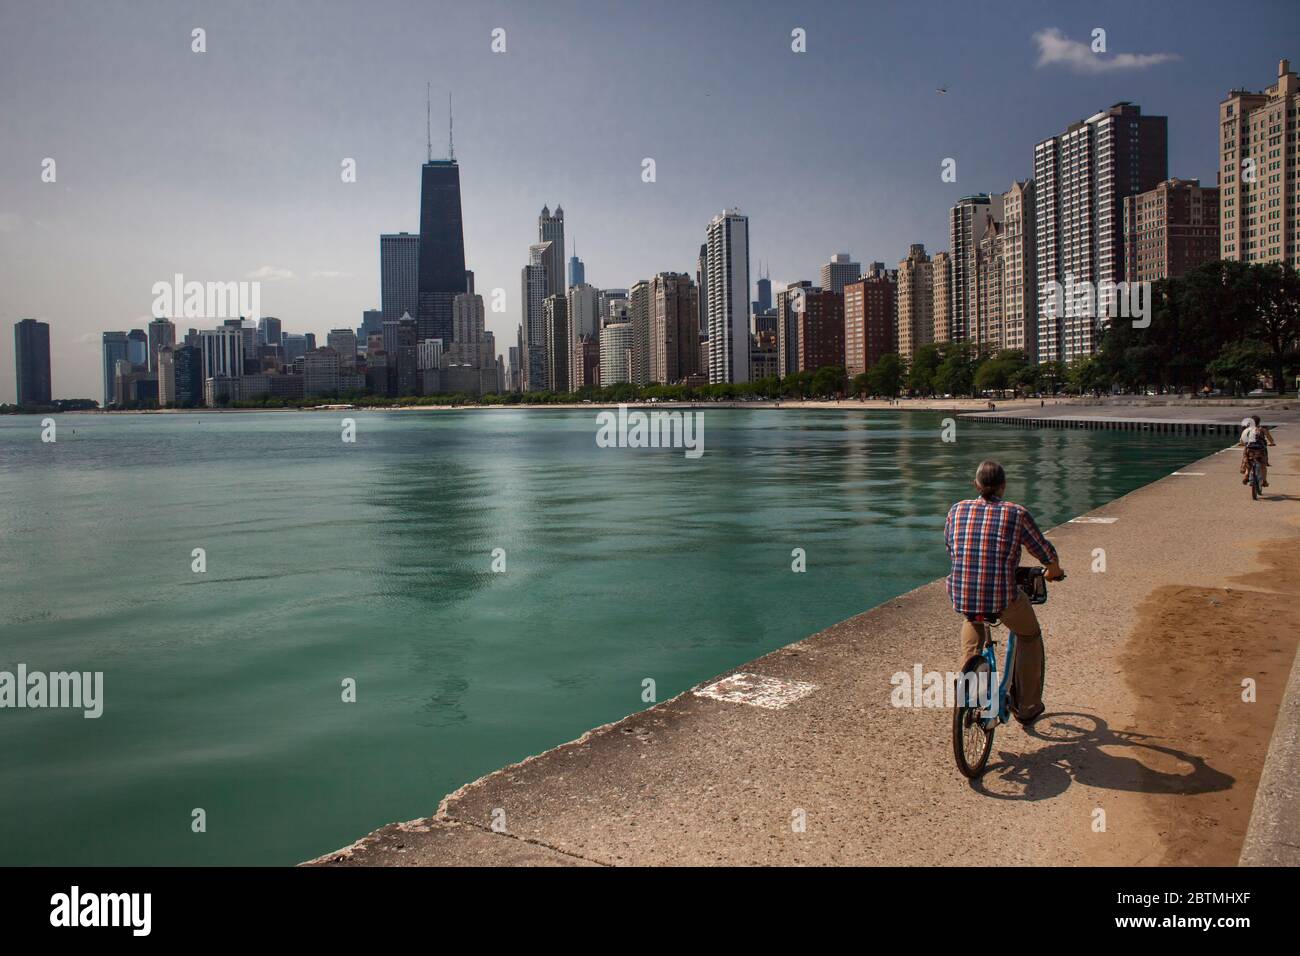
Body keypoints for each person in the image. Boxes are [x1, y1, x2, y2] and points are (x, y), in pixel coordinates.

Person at [945, 461, 1064, 724]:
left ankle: (969, 682)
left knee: (972, 619)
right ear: (1003, 486)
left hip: (962, 592)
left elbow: (951, 548)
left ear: (976, 485)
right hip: (1001, 595)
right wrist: (1053, 570)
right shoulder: (1016, 513)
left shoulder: (957, 510)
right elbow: (1042, 550)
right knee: (1029, 634)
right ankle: (1028, 704)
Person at [1239, 415, 1275, 487]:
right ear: (1259, 422)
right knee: (1263, 466)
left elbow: (1241, 440)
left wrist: (1242, 444)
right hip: (1260, 450)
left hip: (1250, 450)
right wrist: (1271, 443)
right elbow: (1270, 439)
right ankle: (1264, 481)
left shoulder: (1247, 430)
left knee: (1248, 462)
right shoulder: (1263, 430)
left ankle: (1246, 476)